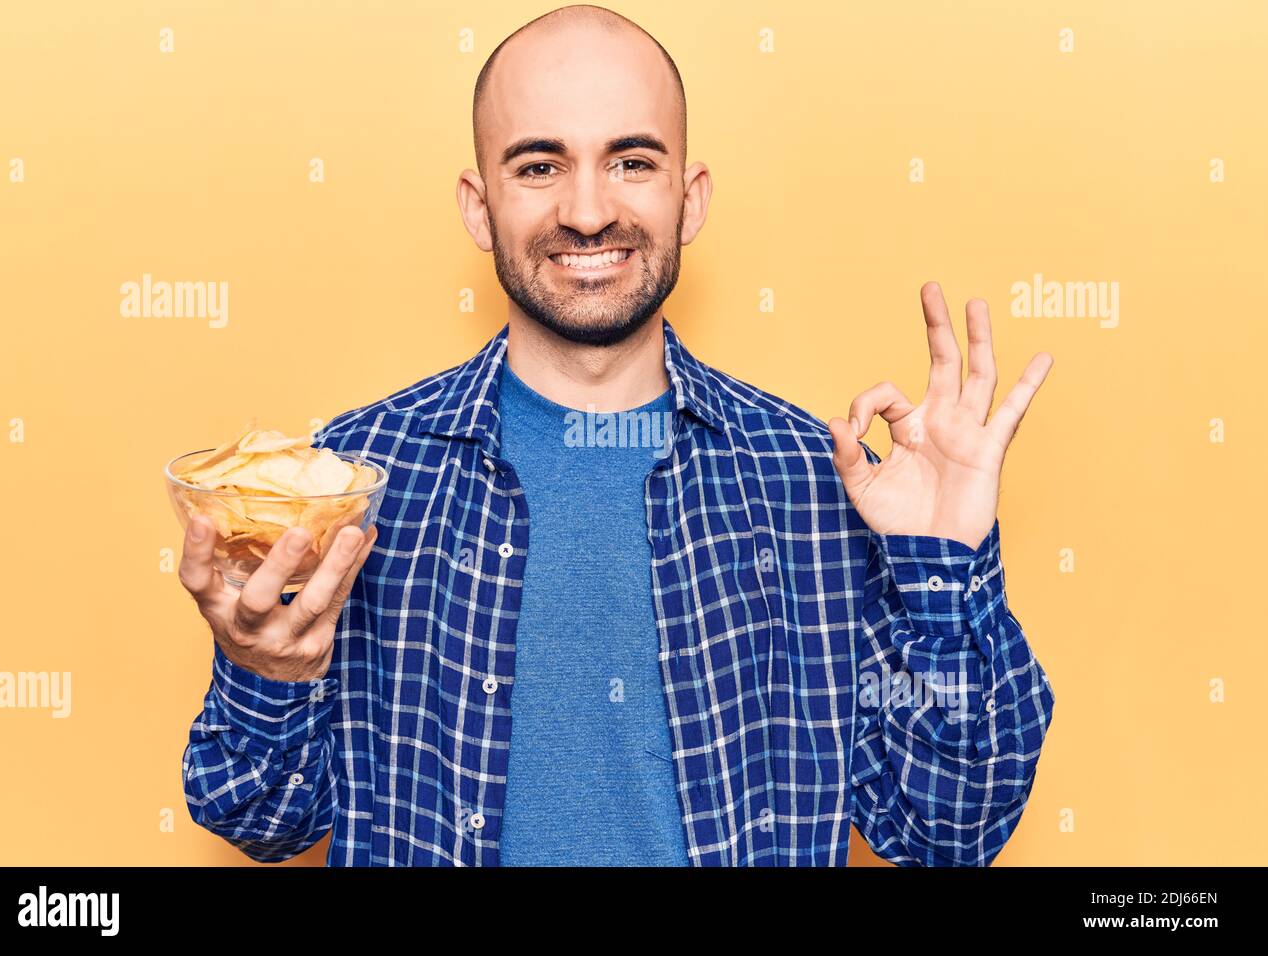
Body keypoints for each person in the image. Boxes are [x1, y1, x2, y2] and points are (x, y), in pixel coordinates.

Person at [179, 4, 1055, 866]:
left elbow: (949, 832)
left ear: (691, 197)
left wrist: (944, 566)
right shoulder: (358, 474)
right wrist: (267, 673)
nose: (589, 211)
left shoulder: (817, 481)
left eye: (632, 161)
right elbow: (261, 820)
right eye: (537, 166)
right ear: (479, 209)